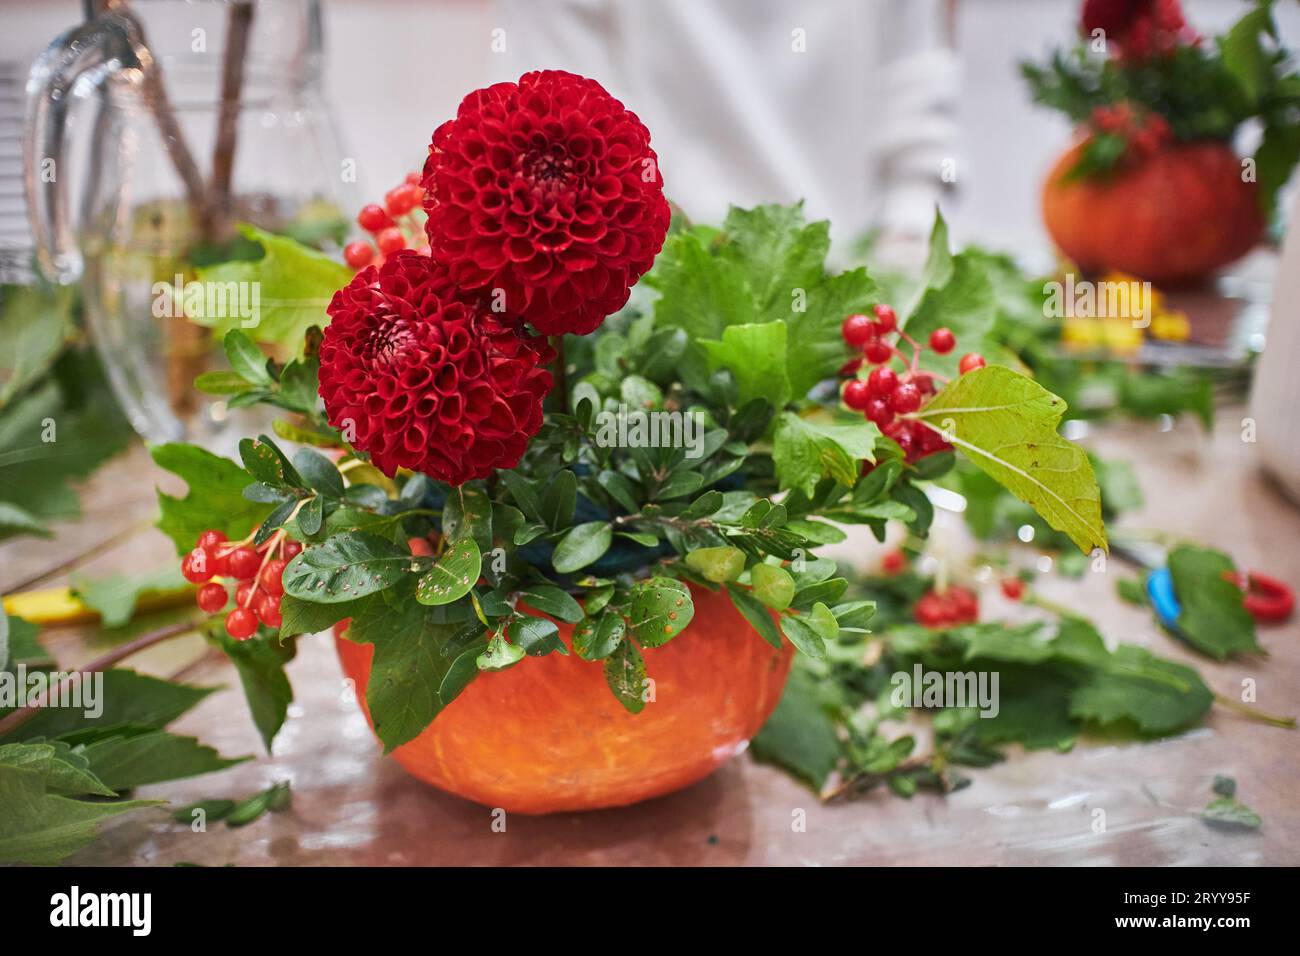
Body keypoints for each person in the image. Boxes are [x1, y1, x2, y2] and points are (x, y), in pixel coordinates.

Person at [495, 0, 960, 259]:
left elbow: (922, 150)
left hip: (850, 293)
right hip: (657, 301)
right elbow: (562, 128)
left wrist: (905, 252)